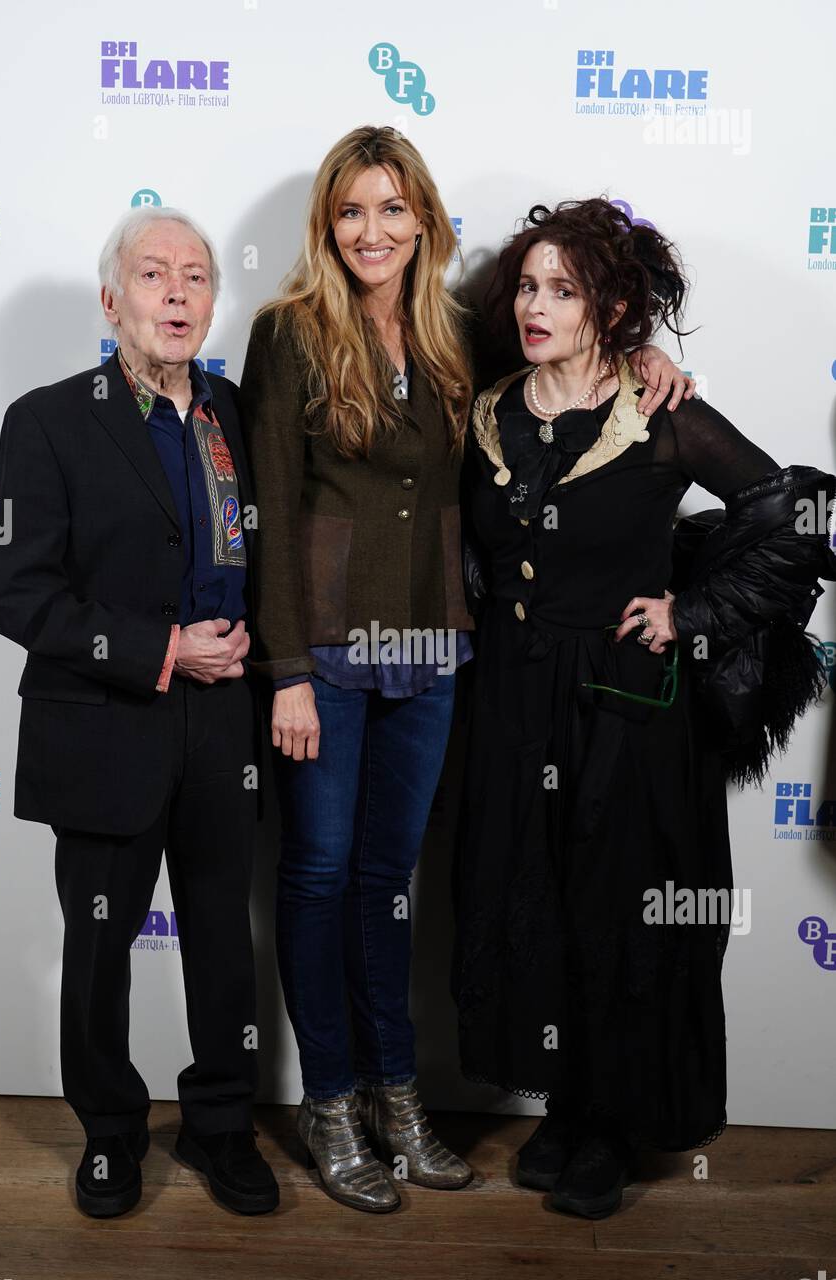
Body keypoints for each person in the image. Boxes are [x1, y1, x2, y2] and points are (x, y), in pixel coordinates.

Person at [239, 127, 691, 1213]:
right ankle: (333, 1104)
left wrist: (648, 359)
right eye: (351, 211)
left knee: (388, 886)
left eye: (393, 209)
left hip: (439, 653)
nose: (372, 231)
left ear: (425, 219)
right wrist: (287, 670)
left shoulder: (456, 330)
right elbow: (273, 512)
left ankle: (402, 1097)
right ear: (326, 225)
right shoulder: (289, 333)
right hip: (333, 659)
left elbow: (561, 374)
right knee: (317, 875)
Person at [452, 197, 836, 1220]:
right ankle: (568, 1106)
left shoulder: (662, 415)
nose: (536, 305)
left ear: (613, 304)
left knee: (619, 915)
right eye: (528, 286)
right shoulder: (488, 411)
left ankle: (615, 1125)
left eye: (563, 289)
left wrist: (695, 608)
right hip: (513, 704)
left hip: (624, 708)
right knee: (535, 897)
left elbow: (805, 512)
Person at [0, 208, 278, 1218]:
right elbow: (13, 593)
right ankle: (110, 1134)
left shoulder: (235, 413)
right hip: (107, 725)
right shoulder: (47, 420)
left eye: (196, 276)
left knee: (225, 945)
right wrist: (160, 651)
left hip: (225, 727)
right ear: (113, 300)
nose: (179, 293)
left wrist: (257, 656)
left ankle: (223, 1123)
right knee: (101, 945)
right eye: (154, 275)